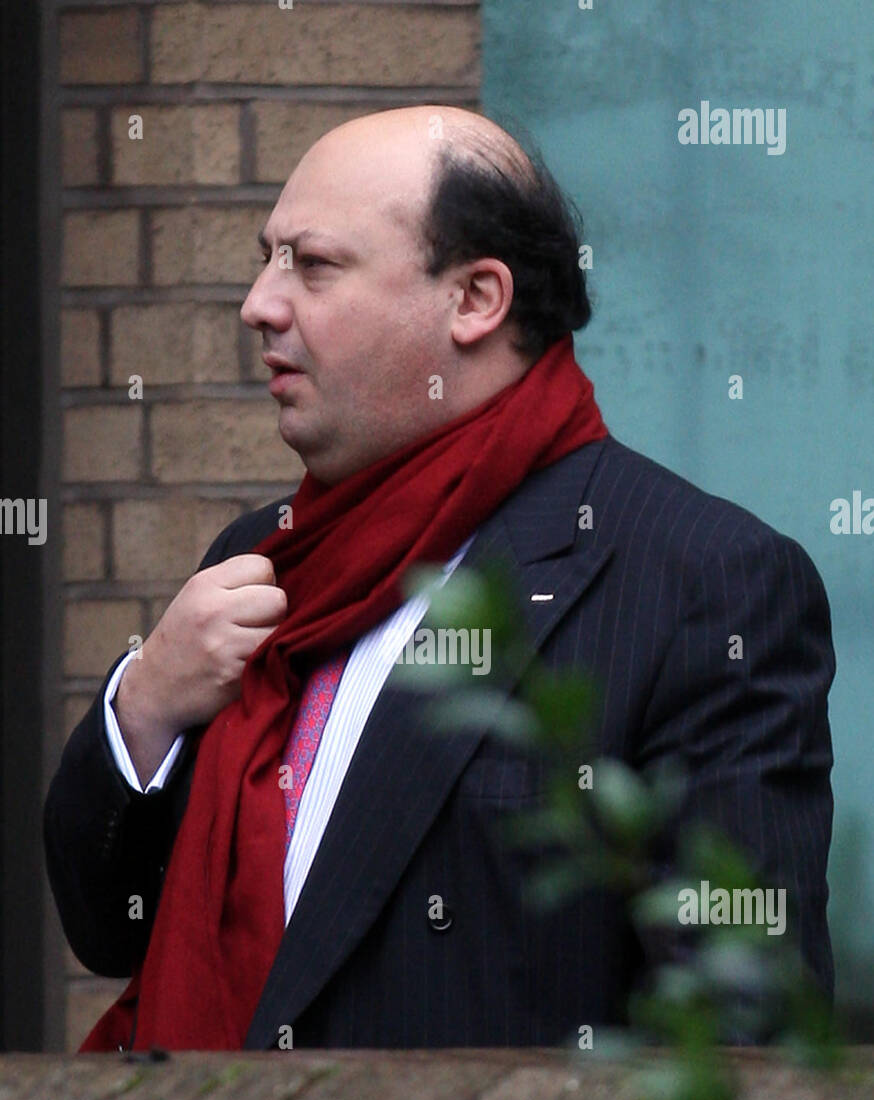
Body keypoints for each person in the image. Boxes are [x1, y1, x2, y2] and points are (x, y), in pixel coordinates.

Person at [43, 106, 836, 1052]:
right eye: (267, 260)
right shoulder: (258, 561)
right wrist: (144, 707)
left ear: (474, 300)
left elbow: (741, 1037)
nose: (259, 304)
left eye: (313, 264)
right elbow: (108, 928)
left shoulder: (700, 581)